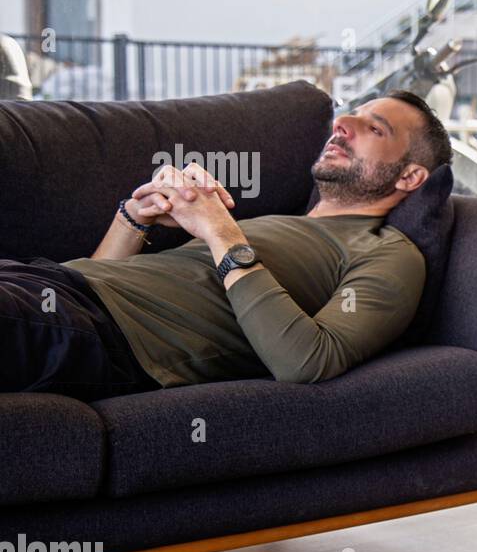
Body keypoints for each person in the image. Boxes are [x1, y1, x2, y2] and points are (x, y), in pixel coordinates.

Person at [0, 89, 451, 400]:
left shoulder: (388, 252)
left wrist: (220, 231)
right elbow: (98, 278)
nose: (342, 124)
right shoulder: (284, 223)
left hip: (102, 337)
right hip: (50, 284)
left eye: (374, 128)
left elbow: (309, 361)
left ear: (410, 176)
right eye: (348, 115)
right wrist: (135, 219)